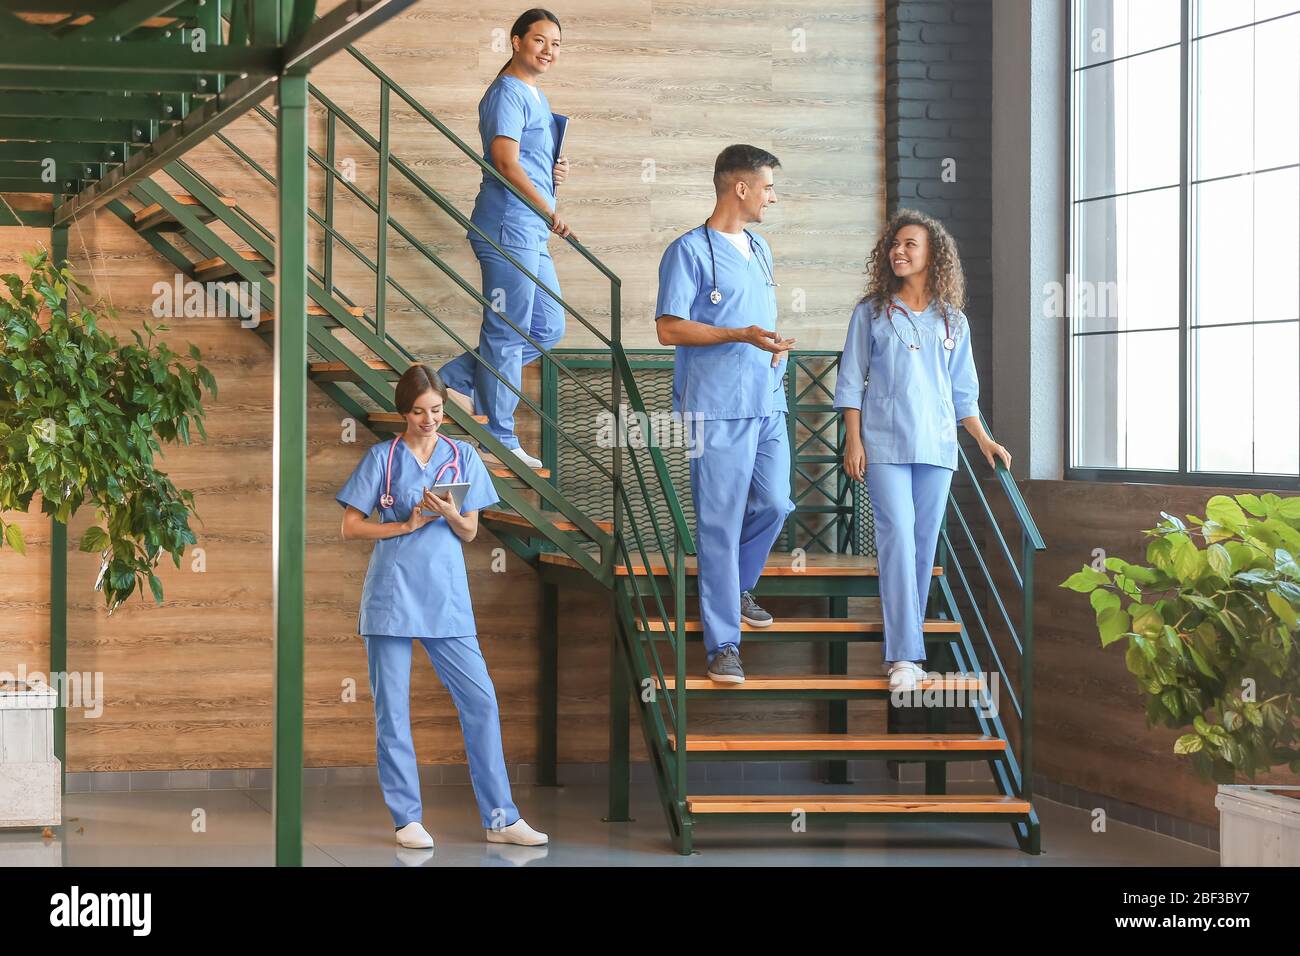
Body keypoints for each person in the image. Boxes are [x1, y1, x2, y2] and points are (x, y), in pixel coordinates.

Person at [337, 364, 548, 849]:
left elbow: (471, 531)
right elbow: (350, 526)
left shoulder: (464, 456)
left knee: (480, 701)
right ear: (403, 412)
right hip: (391, 596)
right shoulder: (382, 458)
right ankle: (406, 818)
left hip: (446, 598)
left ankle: (501, 818)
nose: (428, 419)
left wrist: (452, 513)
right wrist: (404, 526)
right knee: (393, 710)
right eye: (418, 412)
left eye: (435, 410)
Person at [833, 209, 1011, 692]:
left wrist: (983, 438)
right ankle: (904, 657)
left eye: (910, 244)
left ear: (933, 254)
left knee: (921, 546)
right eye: (895, 244)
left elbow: (963, 393)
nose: (899, 251)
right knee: (895, 538)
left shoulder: (954, 320)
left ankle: (905, 656)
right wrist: (854, 440)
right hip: (884, 444)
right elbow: (850, 382)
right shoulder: (870, 312)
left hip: (937, 447)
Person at [654, 144, 797, 685]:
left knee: (777, 501)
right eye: (767, 187)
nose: (772, 197)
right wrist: (738, 334)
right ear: (740, 188)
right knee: (717, 525)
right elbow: (669, 329)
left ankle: (736, 583)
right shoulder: (688, 252)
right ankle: (723, 646)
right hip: (714, 409)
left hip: (767, 401)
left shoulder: (760, 248)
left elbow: (757, 322)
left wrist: (774, 347)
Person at [439, 8, 571, 470]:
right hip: (508, 226)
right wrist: (548, 207)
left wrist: (553, 174)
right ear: (516, 42)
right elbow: (505, 162)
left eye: (555, 44)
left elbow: (526, 161)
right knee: (506, 329)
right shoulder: (507, 93)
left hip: (531, 229)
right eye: (539, 41)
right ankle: (497, 433)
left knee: (548, 326)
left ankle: (454, 378)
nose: (548, 51)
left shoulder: (535, 95)